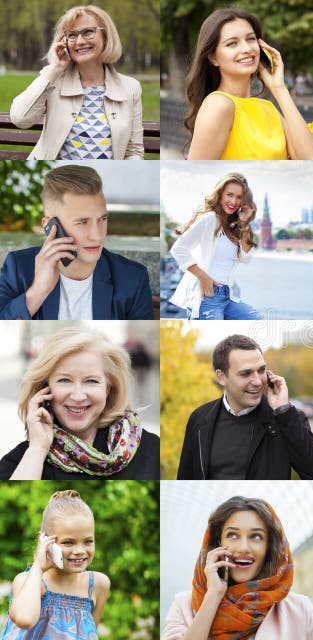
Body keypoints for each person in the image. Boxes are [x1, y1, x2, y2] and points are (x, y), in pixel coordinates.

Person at [0, 327, 159, 480]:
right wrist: (38, 449)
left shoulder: (151, 450)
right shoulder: (19, 461)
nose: (77, 396)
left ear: (108, 389)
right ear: (45, 388)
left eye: (91, 381)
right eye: (64, 380)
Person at [0, 164, 153, 320]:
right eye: (82, 222)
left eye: (103, 219)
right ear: (50, 225)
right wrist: (38, 291)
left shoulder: (133, 278)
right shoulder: (18, 269)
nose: (97, 236)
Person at [161, 496, 313, 640]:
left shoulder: (299, 610)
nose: (243, 547)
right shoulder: (184, 605)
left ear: (269, 547)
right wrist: (213, 595)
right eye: (232, 535)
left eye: (256, 537)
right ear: (218, 544)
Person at [176, 334, 313, 480]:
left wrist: (283, 412)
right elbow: (185, 478)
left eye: (261, 370)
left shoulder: (286, 419)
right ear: (221, 377)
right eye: (246, 373)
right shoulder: (199, 418)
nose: (258, 381)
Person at [184, 7, 313, 160]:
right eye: (232, 43)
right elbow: (197, 174)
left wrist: (279, 89)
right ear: (213, 58)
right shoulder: (219, 105)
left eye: (251, 39)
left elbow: (312, 160)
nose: (247, 48)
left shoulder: (268, 109)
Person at [10, 5, 143, 160]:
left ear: (106, 36)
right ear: (64, 41)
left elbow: (133, 151)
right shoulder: (54, 81)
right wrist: (54, 69)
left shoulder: (131, 88)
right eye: (72, 35)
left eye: (88, 32)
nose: (79, 41)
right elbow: (20, 119)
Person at [1, 490, 110, 638]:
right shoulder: (28, 581)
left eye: (88, 541)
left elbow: (89, 634)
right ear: (46, 541)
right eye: (68, 542)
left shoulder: (98, 585)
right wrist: (38, 566)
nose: (80, 550)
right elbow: (25, 619)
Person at [169, 172, 264, 320]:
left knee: (259, 320)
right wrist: (203, 277)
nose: (233, 201)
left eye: (239, 197)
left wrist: (244, 223)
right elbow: (178, 249)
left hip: (228, 295)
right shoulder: (210, 219)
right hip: (208, 296)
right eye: (229, 195)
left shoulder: (236, 226)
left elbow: (246, 258)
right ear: (220, 194)